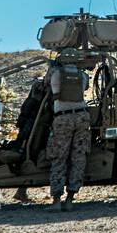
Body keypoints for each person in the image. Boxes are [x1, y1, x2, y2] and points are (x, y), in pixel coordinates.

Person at [45, 50, 91, 210]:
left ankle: (56, 201)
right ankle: (70, 200)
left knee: (59, 157)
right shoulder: (83, 76)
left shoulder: (55, 74)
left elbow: (46, 83)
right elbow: (85, 87)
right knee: (78, 157)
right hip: (82, 117)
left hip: (63, 118)